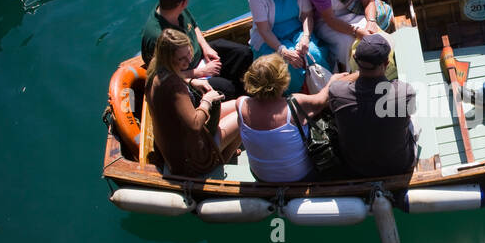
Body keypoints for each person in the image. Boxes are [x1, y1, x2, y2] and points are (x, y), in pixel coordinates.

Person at [144, 28, 239, 177]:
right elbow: (194, 125)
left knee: (240, 103)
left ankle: (225, 150)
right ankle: (219, 163)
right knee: (242, 117)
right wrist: (206, 101)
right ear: (169, 59)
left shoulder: (155, 71)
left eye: (188, 53)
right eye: (181, 59)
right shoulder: (174, 85)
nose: (189, 61)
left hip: (177, 146)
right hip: (191, 160)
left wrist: (191, 81)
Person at [141, 0, 254, 99]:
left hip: (199, 56)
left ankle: (247, 87)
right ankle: (242, 99)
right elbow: (163, 76)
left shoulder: (174, 8)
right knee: (228, 88)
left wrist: (206, 48)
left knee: (243, 53)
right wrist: (200, 73)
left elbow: (193, 26)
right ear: (183, 3)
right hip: (187, 75)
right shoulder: (157, 38)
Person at [328, 34, 418, 177]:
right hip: (398, 166)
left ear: (356, 61)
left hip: (355, 167)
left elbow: (336, 86)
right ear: (387, 64)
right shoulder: (405, 92)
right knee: (413, 117)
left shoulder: (336, 91)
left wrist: (355, 74)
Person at [246, 0, 328, 95]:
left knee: (313, 54)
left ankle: (322, 93)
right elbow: (263, 30)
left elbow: (307, 15)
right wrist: (283, 51)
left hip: (297, 31)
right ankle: (296, 100)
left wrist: (305, 37)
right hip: (270, 39)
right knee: (288, 64)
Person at [236, 54, 332, 183]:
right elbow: (322, 100)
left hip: (261, 177)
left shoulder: (241, 104)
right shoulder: (295, 103)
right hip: (301, 178)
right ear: (283, 79)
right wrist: (334, 79)